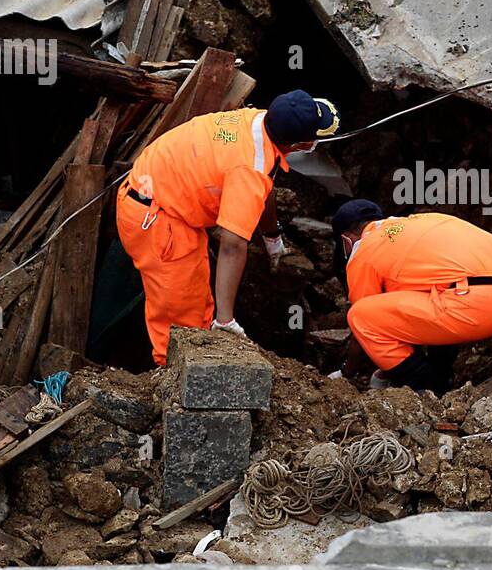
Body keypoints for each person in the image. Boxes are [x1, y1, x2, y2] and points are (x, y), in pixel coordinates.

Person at [117, 90, 339, 364]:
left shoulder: (257, 121)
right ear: (301, 145)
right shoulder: (250, 166)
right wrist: (226, 320)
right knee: (181, 325)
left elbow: (264, 186)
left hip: (163, 194)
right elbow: (233, 246)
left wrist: (272, 236)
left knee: (196, 303)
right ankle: (171, 378)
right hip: (158, 218)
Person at [331, 200, 492, 391]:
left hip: (481, 310)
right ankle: (442, 371)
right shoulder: (424, 219)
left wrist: (347, 371)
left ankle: (427, 386)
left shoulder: (365, 252)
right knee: (437, 292)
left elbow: (364, 327)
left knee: (360, 315)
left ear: (346, 241)